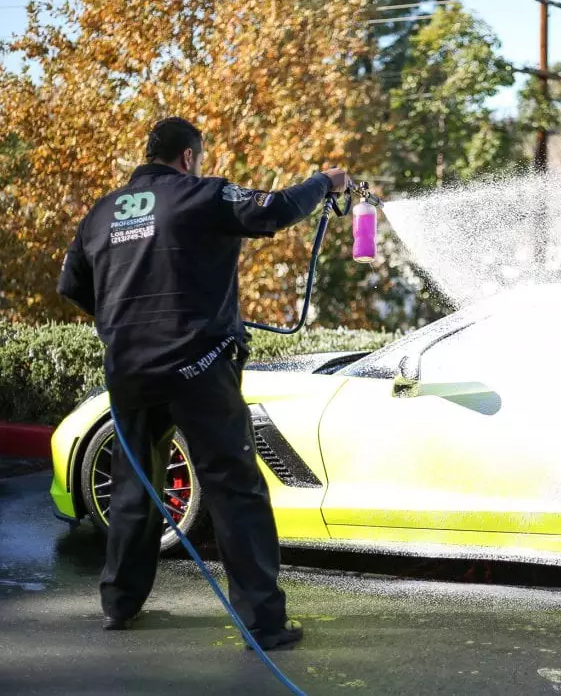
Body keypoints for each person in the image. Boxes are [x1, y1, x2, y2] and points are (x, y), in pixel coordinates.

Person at [57, 116, 348, 650]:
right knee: (235, 488)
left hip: (129, 371)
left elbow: (72, 285)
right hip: (200, 365)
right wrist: (324, 183)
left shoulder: (101, 214)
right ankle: (263, 624)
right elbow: (275, 210)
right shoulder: (201, 195)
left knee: (134, 487)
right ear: (189, 157)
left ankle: (119, 607)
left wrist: (125, 325)